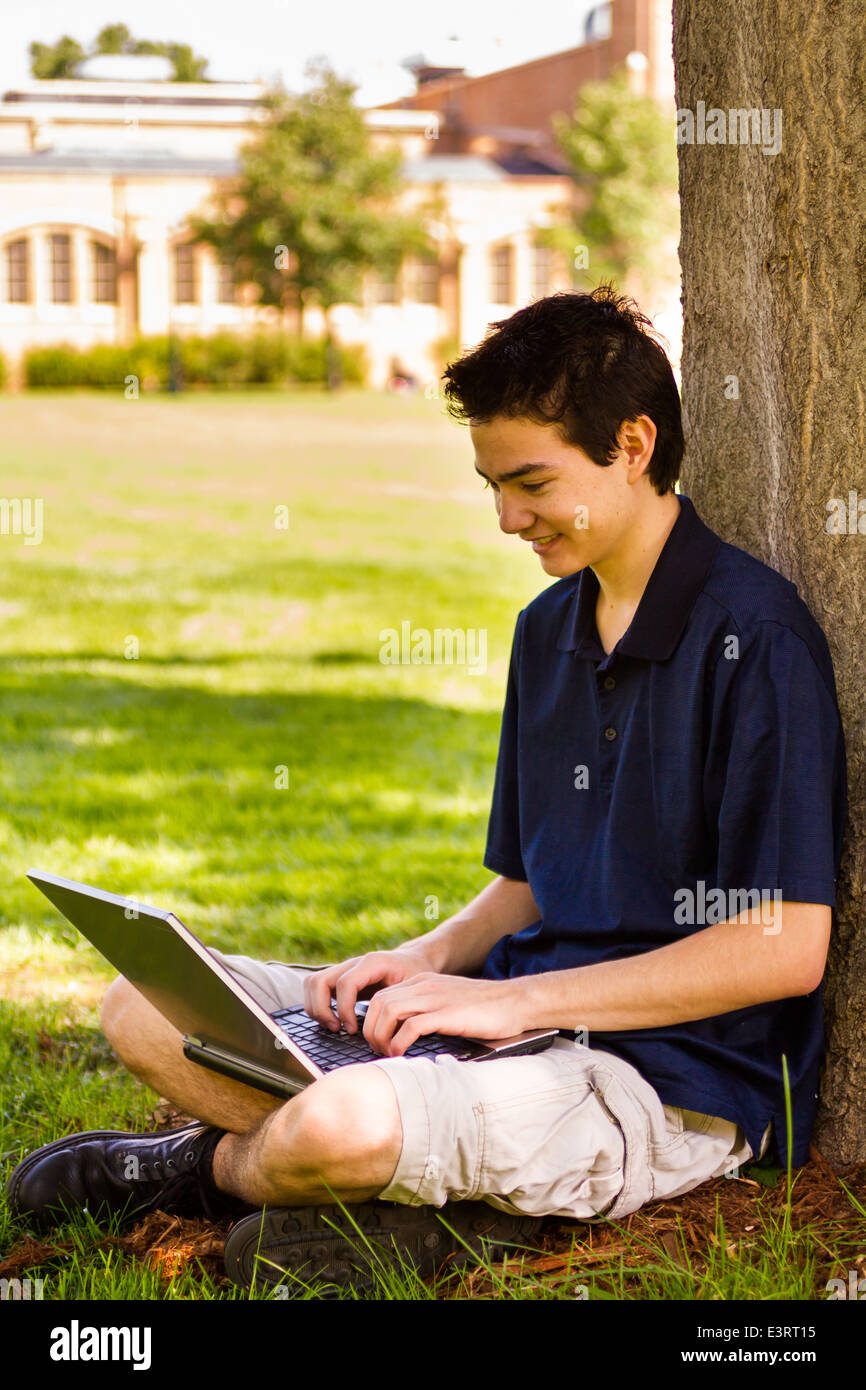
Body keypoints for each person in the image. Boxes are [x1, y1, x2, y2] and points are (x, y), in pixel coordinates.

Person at [8, 285, 847, 1297]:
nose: (504, 518)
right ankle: (410, 1202)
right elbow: (530, 885)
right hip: (500, 1021)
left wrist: (512, 1003)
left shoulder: (754, 639)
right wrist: (414, 961)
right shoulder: (547, 632)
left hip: (660, 1081)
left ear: (631, 444)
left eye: (530, 481)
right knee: (143, 1003)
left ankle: (207, 1169)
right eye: (492, 484)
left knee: (333, 1119)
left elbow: (785, 947)